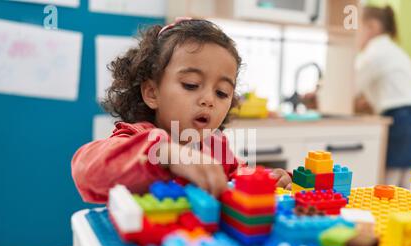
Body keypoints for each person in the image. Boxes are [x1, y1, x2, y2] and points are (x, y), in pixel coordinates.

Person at [71, 18, 292, 203]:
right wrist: (166, 153)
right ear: (152, 93)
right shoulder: (136, 137)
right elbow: (85, 169)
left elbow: (238, 175)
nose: (208, 100)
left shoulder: (215, 146)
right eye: (191, 84)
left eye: (222, 93)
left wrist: (268, 178)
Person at [355, 5, 411, 188]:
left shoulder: (373, 52)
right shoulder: (394, 51)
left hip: (399, 119)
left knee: (389, 186)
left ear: (372, 27)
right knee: (409, 188)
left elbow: (349, 88)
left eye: (358, 27)